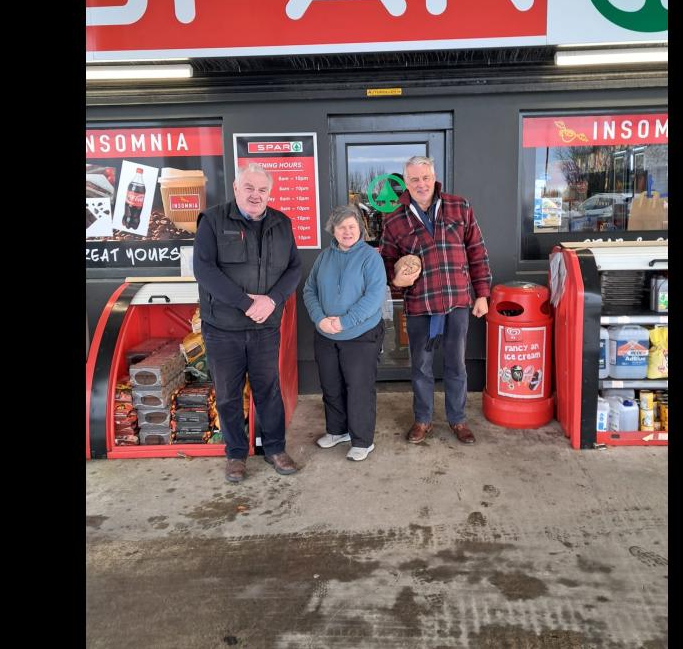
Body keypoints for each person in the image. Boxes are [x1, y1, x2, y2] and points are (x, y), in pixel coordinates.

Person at [193, 162, 302, 483]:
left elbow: (294, 268)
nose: (256, 195)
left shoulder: (282, 223)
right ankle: (235, 454)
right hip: (222, 329)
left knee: (269, 390)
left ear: (270, 192)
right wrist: (246, 302)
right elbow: (204, 270)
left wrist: (272, 300)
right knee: (227, 395)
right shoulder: (213, 220)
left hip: (265, 327)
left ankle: (275, 449)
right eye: (249, 188)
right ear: (237, 189)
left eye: (262, 189)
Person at [379, 155, 492, 445]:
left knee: (457, 365)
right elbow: (388, 263)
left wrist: (482, 294)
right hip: (420, 305)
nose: (421, 184)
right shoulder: (394, 219)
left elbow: (477, 252)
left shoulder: (459, 206)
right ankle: (423, 419)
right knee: (420, 367)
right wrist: (396, 279)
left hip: (456, 302)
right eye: (414, 179)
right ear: (405, 182)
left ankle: (458, 419)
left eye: (425, 178)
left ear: (434, 177)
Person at [302, 205, 388, 462]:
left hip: (361, 335)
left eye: (352, 227)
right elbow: (309, 290)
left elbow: (374, 297)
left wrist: (345, 322)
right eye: (342, 227)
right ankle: (338, 431)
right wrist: (320, 319)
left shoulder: (371, 258)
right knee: (331, 385)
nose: (347, 232)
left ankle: (362, 440)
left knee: (359, 388)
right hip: (327, 335)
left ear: (360, 229)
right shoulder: (324, 257)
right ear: (334, 230)